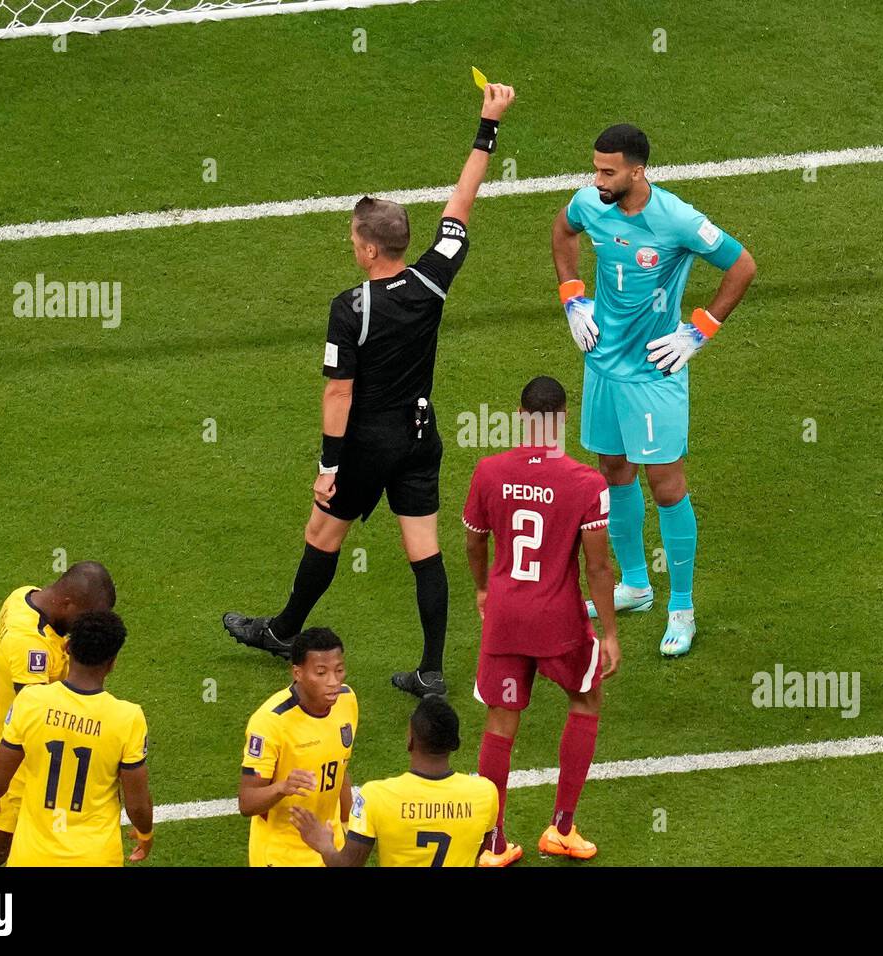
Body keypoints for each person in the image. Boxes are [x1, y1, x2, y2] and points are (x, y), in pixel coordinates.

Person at [223, 81, 517, 699]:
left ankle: (283, 632)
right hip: (419, 435)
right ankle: (432, 669)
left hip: (367, 443)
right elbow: (461, 204)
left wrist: (330, 466)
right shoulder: (434, 278)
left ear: (367, 247)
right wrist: (488, 124)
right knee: (424, 550)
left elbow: (338, 395)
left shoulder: (349, 308)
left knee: (322, 533)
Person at [550, 123, 757, 657]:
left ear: (637, 171)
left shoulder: (676, 219)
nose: (597, 178)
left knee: (666, 486)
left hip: (654, 374)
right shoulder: (590, 202)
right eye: (595, 167)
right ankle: (636, 587)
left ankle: (682, 607)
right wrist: (573, 296)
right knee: (614, 473)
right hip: (601, 365)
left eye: (607, 170)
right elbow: (563, 231)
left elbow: (741, 265)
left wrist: (698, 329)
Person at [463, 376, 620, 865]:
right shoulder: (586, 483)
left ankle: (493, 843)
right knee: (587, 699)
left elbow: (473, 539)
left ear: (522, 416)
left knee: (501, 722)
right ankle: (562, 829)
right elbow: (596, 567)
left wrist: (484, 588)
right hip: (558, 621)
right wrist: (611, 633)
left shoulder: (489, 471)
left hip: (506, 616)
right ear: (564, 418)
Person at [0, 610, 153, 866]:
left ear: (68, 646)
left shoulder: (30, 701)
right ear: (113, 661)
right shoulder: (128, 718)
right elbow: (137, 804)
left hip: (31, 858)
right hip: (95, 858)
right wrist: (145, 834)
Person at [0, 560, 116, 866]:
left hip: (9, 740)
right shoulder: (30, 648)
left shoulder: (23, 594)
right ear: (66, 603)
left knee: (6, 845)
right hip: (21, 761)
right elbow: (38, 714)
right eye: (86, 617)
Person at [292, 695, 497, 867]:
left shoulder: (376, 796)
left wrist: (323, 843)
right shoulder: (486, 794)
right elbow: (477, 849)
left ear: (411, 740)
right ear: (455, 743)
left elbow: (347, 865)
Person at [238, 628, 358, 866]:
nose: (334, 682)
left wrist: (349, 826)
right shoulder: (270, 722)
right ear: (298, 673)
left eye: (339, 670)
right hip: (282, 855)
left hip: (330, 844)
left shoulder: (347, 701)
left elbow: (340, 767)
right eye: (321, 672)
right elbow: (247, 801)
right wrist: (282, 787)